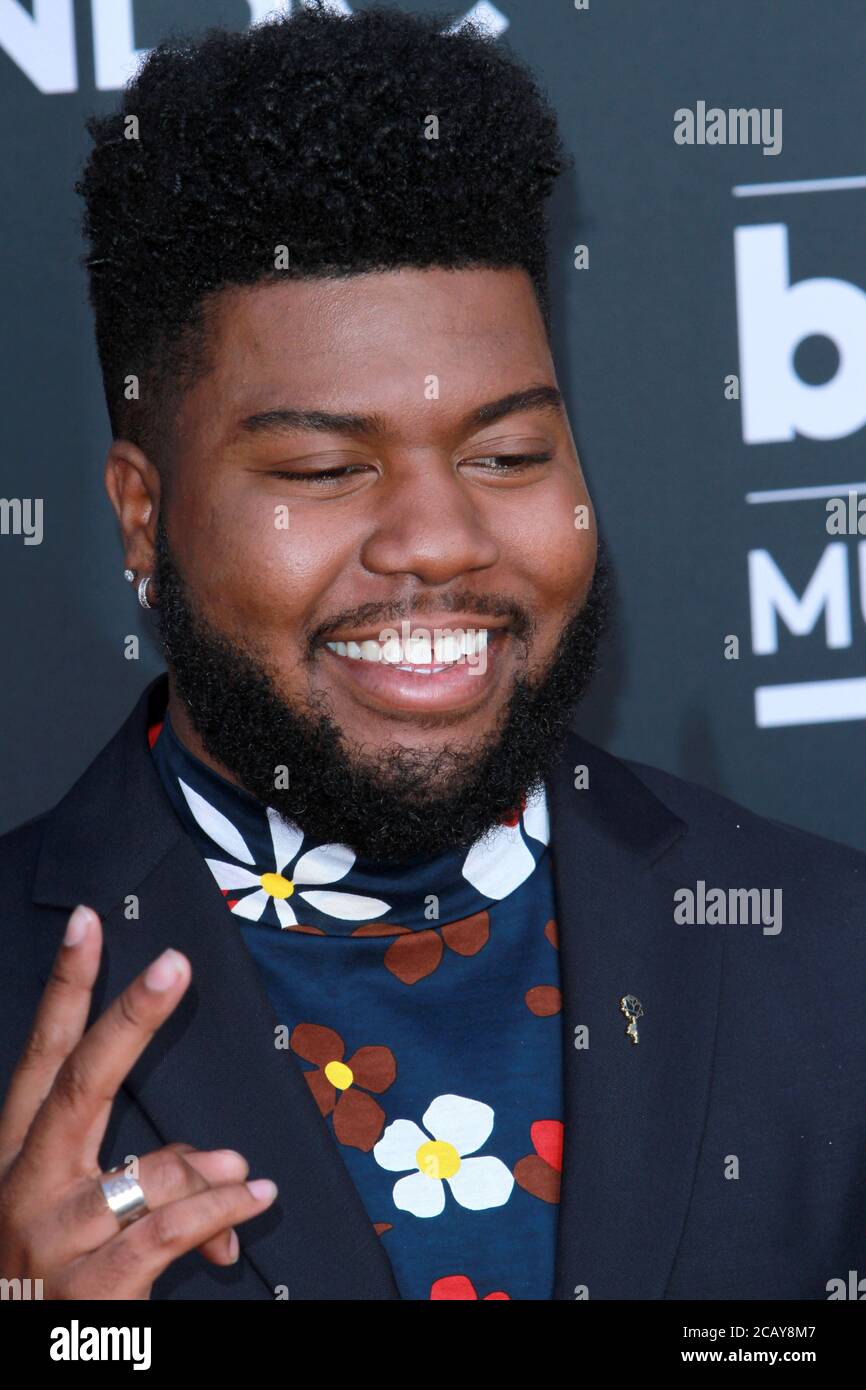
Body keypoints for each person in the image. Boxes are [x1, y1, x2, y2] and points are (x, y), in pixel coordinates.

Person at [1, 2, 864, 1302]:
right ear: (142, 512)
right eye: (324, 468)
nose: (440, 540)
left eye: (506, 454)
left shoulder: (822, 954)